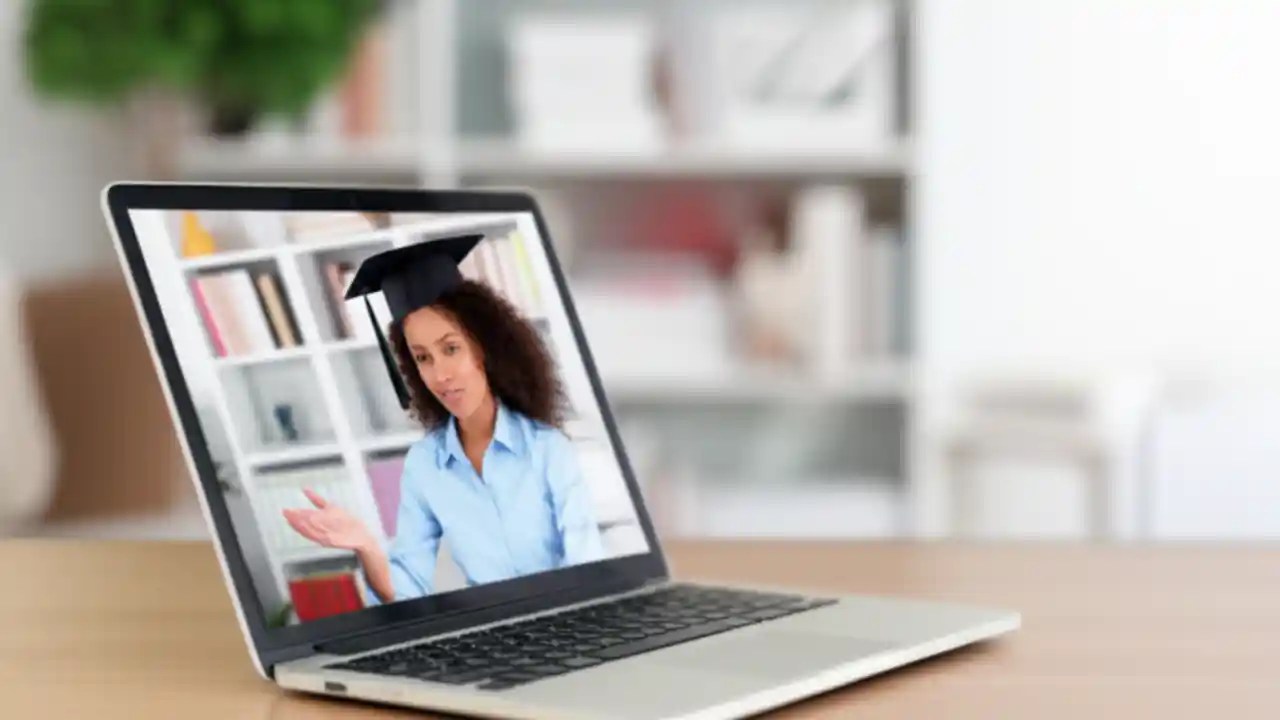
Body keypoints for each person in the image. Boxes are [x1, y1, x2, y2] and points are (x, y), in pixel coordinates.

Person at [282, 235, 604, 604]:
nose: (440, 375)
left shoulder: (547, 449)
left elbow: (586, 562)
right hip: (490, 625)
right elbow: (406, 588)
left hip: (568, 616)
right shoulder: (425, 465)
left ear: (485, 349)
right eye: (423, 358)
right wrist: (365, 545)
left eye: (451, 349)